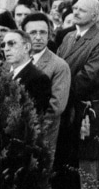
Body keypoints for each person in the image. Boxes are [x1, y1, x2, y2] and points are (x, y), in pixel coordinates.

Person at [55, 0, 99, 189]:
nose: (76, 12)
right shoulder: (68, 37)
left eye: (82, 10)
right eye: (75, 8)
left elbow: (89, 77)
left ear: (95, 16)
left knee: (87, 160)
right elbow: (57, 65)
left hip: (84, 109)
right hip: (65, 106)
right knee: (66, 158)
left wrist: (59, 90)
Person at [22, 12, 71, 167]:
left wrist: (31, 128)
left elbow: (56, 106)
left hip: (42, 134)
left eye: (42, 32)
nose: (38, 37)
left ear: (49, 35)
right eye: (33, 33)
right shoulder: (15, 60)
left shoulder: (59, 65)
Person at [3, 29, 52, 114]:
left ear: (26, 47)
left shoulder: (38, 78)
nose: (6, 49)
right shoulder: (3, 72)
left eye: (11, 43)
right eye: (4, 45)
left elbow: (35, 115)